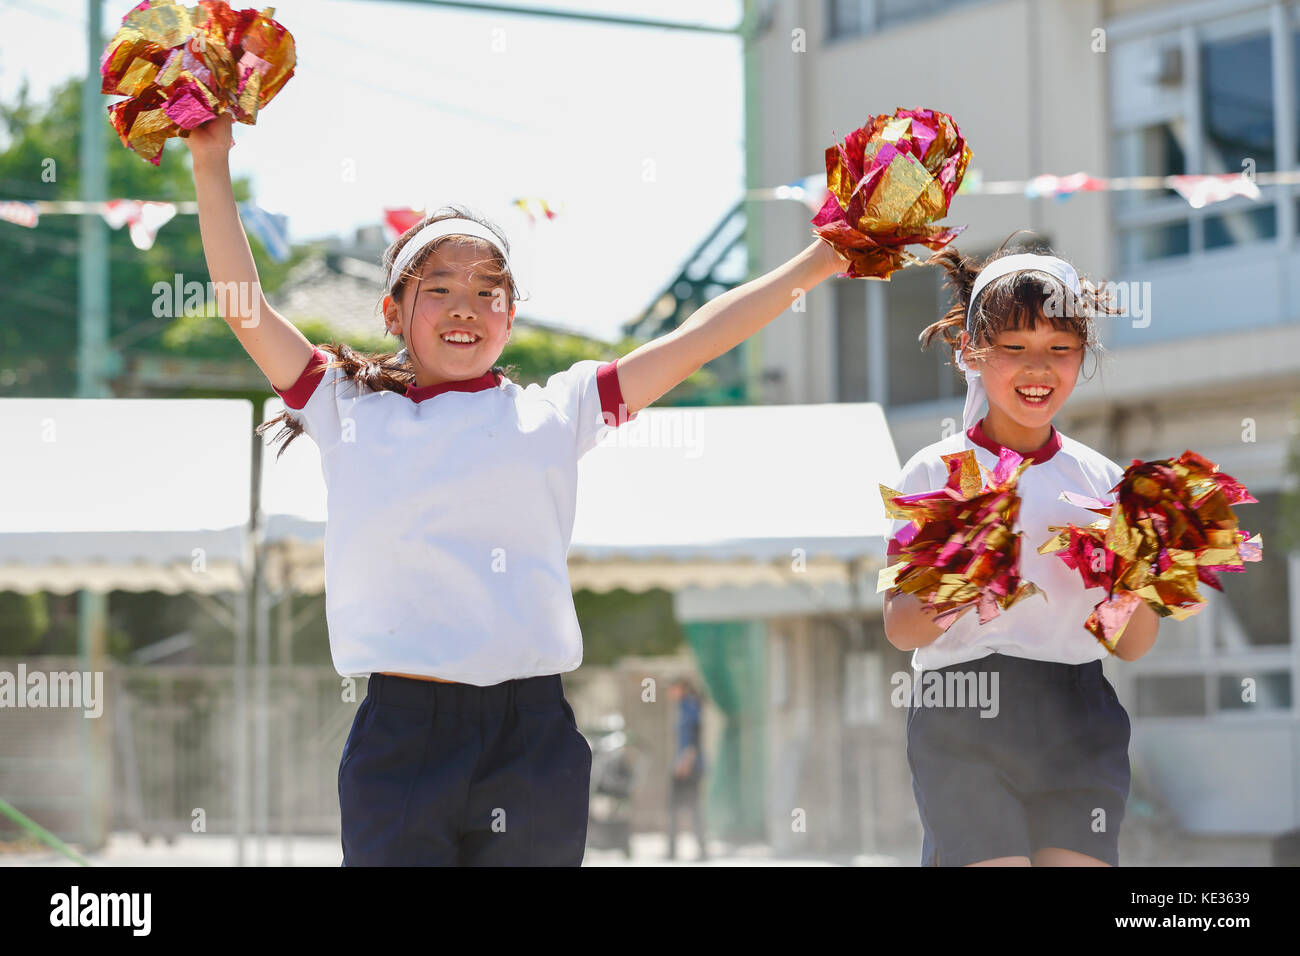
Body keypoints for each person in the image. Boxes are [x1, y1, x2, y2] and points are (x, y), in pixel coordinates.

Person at [182, 113, 849, 865]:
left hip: (530, 734)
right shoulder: (344, 408)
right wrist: (211, 160)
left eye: (488, 290)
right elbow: (246, 310)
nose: (466, 306)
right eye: (439, 288)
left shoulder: (558, 411)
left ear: (512, 314)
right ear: (393, 310)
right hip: (402, 733)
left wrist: (819, 261)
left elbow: (696, 339)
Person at [882, 231, 1163, 868]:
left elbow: (1133, 643)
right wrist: (966, 566)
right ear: (971, 353)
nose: (1038, 368)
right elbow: (901, 629)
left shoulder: (1106, 483)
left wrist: (1140, 574)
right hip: (962, 710)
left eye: (1060, 349)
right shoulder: (934, 472)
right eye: (1014, 348)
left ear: (1082, 355)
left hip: (1078, 713)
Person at [666, 678, 707, 861]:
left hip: (689, 767)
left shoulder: (690, 707)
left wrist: (686, 762)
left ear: (680, 688)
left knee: (692, 808)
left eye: (672, 688)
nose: (670, 692)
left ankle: (702, 851)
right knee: (676, 808)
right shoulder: (682, 707)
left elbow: (694, 738)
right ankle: (672, 851)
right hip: (682, 765)